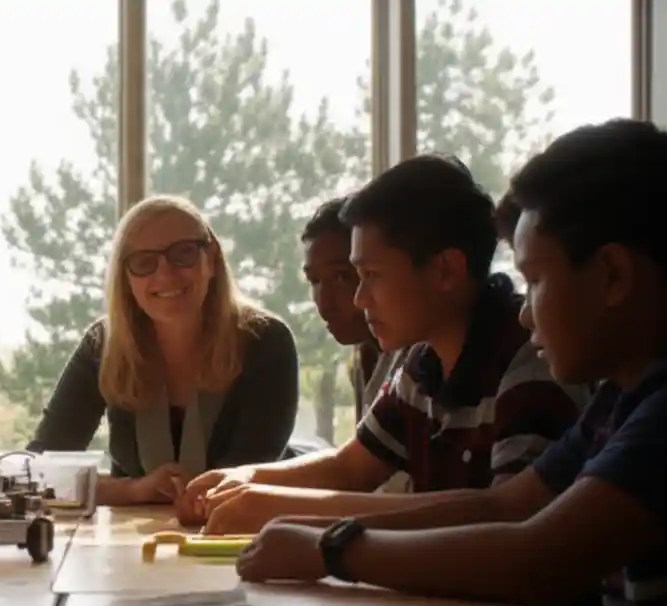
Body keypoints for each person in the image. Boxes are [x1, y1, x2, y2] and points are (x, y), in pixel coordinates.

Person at [235, 118, 667, 606]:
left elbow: (534, 557)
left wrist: (333, 548)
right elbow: (503, 505)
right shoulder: (623, 399)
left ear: (613, 275)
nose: (524, 309)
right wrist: (317, 532)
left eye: (536, 280)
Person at [179, 155, 588, 532]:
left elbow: (502, 518)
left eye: (371, 275)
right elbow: (351, 467)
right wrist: (248, 478)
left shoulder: (528, 364)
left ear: (446, 270)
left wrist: (282, 507)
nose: (359, 298)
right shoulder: (421, 363)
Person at [26, 194, 299, 505]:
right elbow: (39, 468)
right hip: (129, 540)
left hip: (238, 532)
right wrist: (133, 490)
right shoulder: (103, 345)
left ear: (212, 259)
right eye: (144, 262)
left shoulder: (265, 341)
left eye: (183, 254)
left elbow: (244, 480)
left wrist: (106, 490)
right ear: (125, 277)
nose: (165, 274)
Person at [301, 197, 408, 425]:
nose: (324, 302)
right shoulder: (364, 358)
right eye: (314, 280)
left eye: (342, 276)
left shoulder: (416, 362)